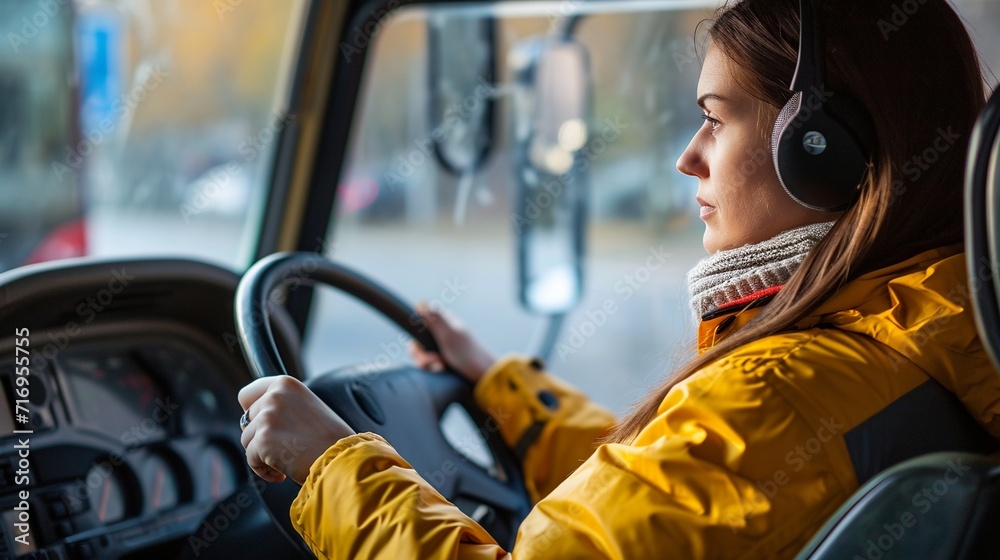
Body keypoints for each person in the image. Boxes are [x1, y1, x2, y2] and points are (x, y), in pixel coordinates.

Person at [236, 0, 1000, 557]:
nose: (688, 157)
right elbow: (668, 496)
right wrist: (502, 386)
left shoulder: (782, 391)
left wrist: (331, 465)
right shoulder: (920, 350)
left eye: (716, 117)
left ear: (823, 150)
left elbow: (723, 455)